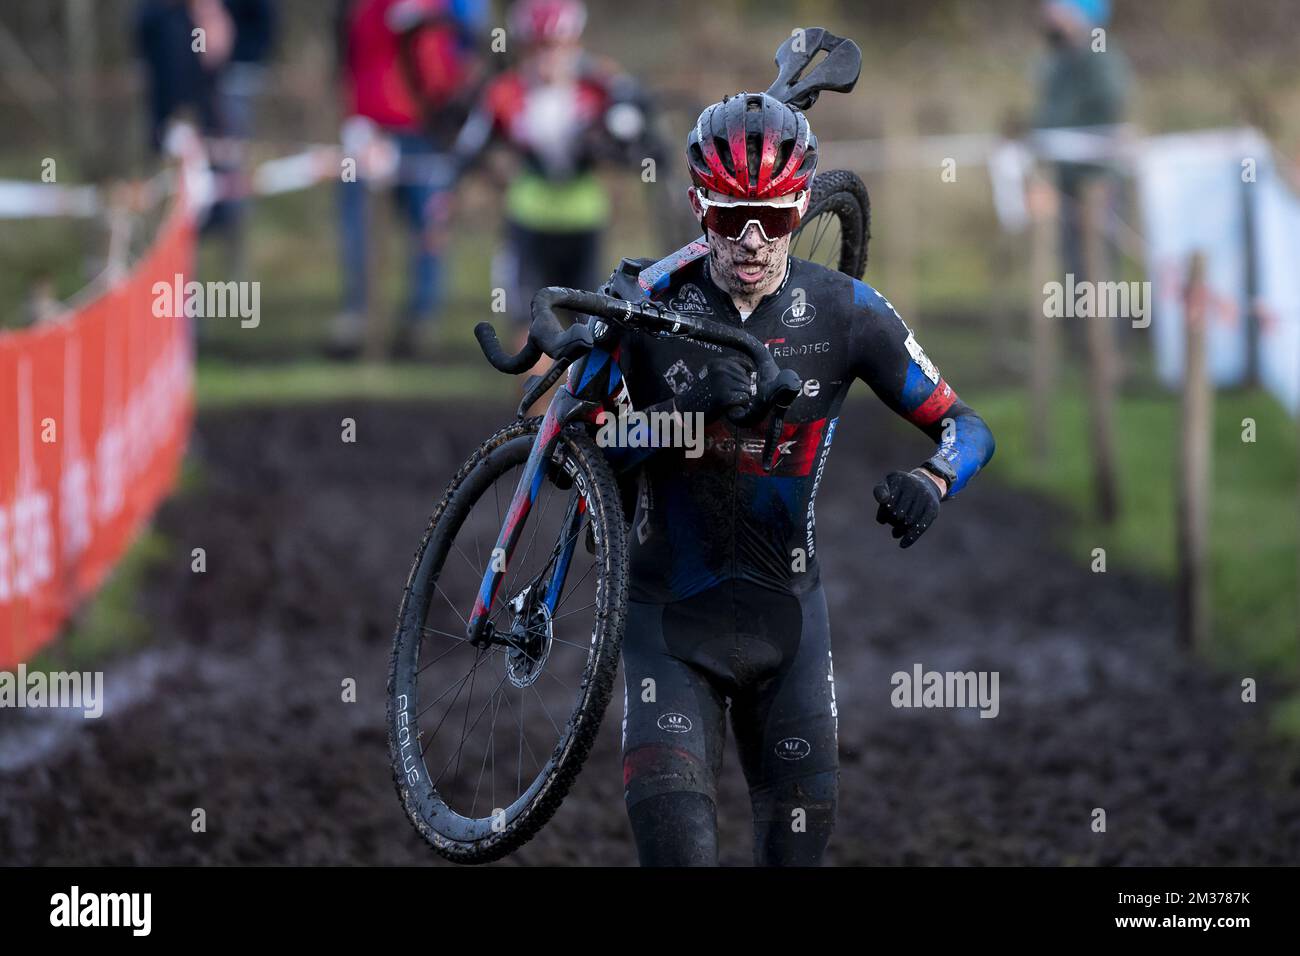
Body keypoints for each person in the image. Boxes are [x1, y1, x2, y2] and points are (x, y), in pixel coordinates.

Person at [596, 92, 996, 866]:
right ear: (695, 207)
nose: (751, 241)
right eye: (728, 218)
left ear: (803, 205)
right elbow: (583, 459)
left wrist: (935, 480)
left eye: (775, 219)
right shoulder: (647, 310)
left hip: (791, 632)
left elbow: (966, 426)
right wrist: (685, 411)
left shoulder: (846, 312)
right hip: (667, 632)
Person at [454, 0, 654, 356]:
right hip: (529, 222)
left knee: (589, 334)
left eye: (559, 46)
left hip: (584, 220)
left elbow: (639, 135)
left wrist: (616, 126)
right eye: (538, 47)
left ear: (574, 44)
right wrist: (457, 194)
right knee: (530, 334)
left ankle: (573, 410)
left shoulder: (599, 88)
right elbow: (468, 149)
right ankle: (531, 411)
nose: (549, 57)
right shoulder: (505, 91)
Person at [332, 0, 487, 358]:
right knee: (361, 227)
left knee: (428, 226)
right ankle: (360, 316)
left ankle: (421, 318)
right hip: (371, 127)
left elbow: (457, 58)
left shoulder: (434, 9)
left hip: (422, 130)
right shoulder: (363, 9)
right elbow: (356, 59)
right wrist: (357, 118)